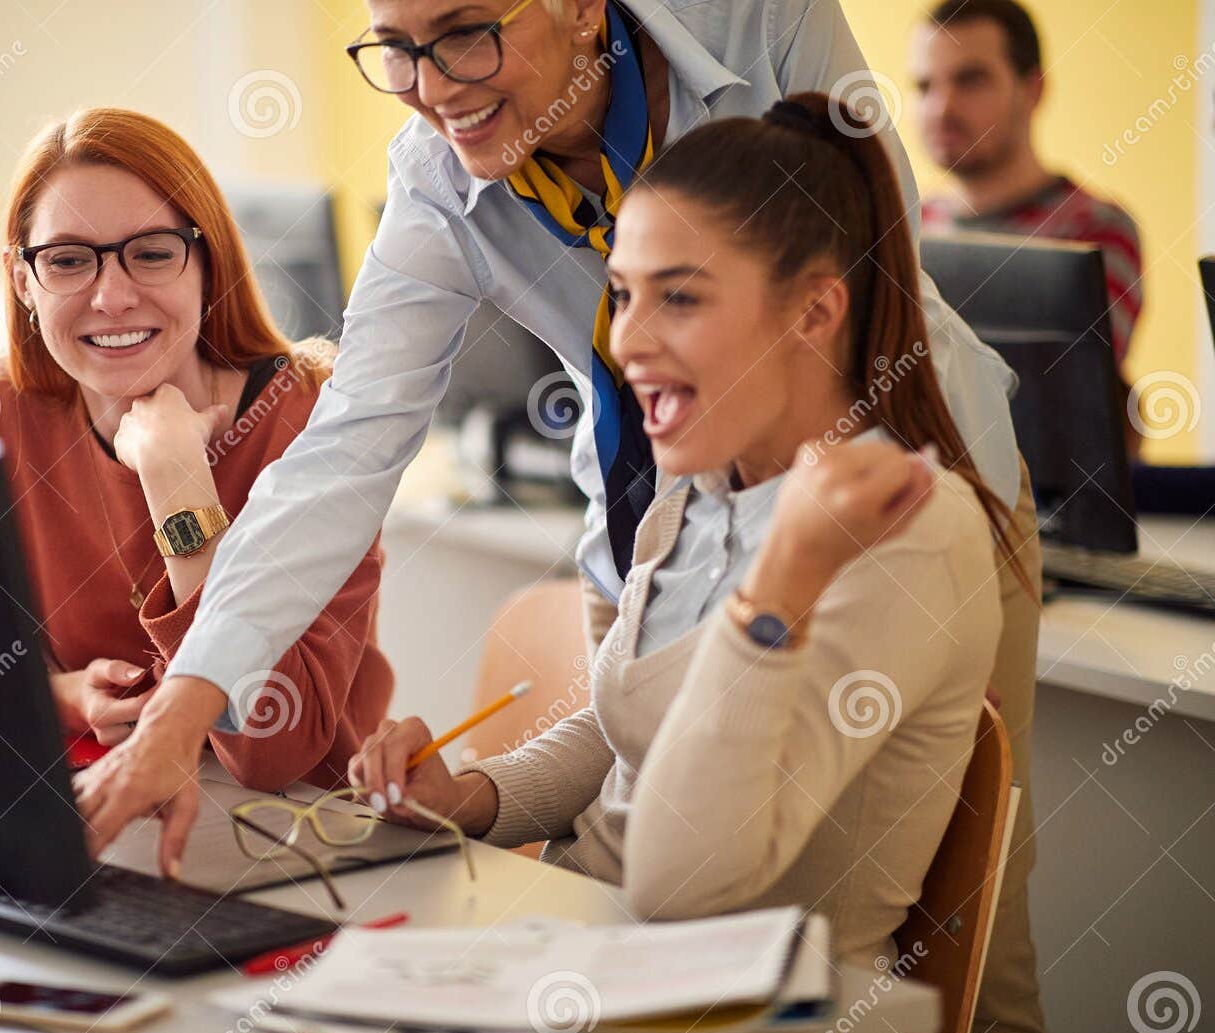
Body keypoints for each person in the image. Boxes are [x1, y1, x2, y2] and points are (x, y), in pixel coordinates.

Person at [76, 0, 1048, 1033]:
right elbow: (347, 450)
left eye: (463, 34)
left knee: (966, 959)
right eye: (394, 49)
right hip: (680, 493)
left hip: (881, 488)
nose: (431, 84)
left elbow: (867, 272)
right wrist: (191, 712)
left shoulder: (760, 20)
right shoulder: (444, 183)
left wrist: (783, 573)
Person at [347, 92, 1022, 970]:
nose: (628, 340)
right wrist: (470, 796)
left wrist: (773, 591)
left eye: (681, 298)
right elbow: (622, 731)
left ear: (815, 311)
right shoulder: (699, 476)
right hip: (587, 965)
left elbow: (683, 880)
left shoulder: (907, 530)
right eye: (623, 295)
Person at [0, 109, 393, 836]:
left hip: (296, 840)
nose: (112, 295)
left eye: (151, 253)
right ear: (21, 280)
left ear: (207, 259)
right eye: (66, 260)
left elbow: (271, 749)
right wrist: (65, 694)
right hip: (105, 818)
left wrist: (179, 490)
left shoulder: (307, 421)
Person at [912, 0, 1143, 370]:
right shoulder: (905, 226)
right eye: (925, 86)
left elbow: (1070, 384)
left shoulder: (1095, 231)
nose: (941, 108)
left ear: (1032, 89)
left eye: (970, 80)